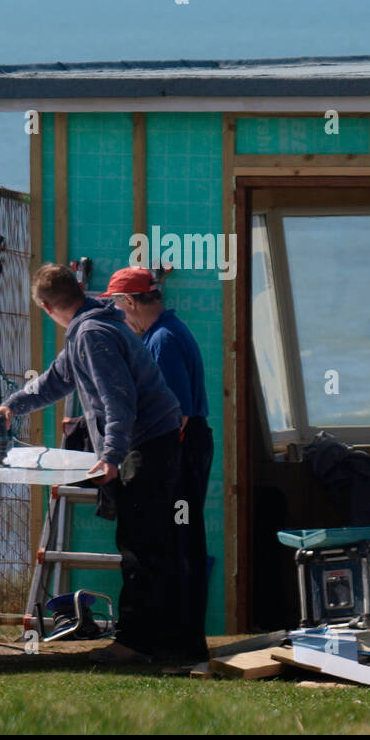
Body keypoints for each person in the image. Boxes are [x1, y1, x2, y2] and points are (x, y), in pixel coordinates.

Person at [0, 263, 184, 665]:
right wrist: (12, 406)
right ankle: (158, 640)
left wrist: (110, 456)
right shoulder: (92, 326)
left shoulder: (92, 334)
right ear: (78, 289)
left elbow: (118, 399)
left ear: (46, 308)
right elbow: (55, 382)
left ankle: (136, 643)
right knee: (148, 543)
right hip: (151, 439)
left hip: (145, 445)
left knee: (140, 547)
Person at [103, 266, 212, 662]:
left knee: (172, 542)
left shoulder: (162, 341)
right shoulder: (166, 331)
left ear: (129, 302)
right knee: (179, 542)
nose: (118, 316)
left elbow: (176, 415)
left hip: (180, 449)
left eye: (117, 306)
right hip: (187, 445)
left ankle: (168, 643)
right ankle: (175, 642)